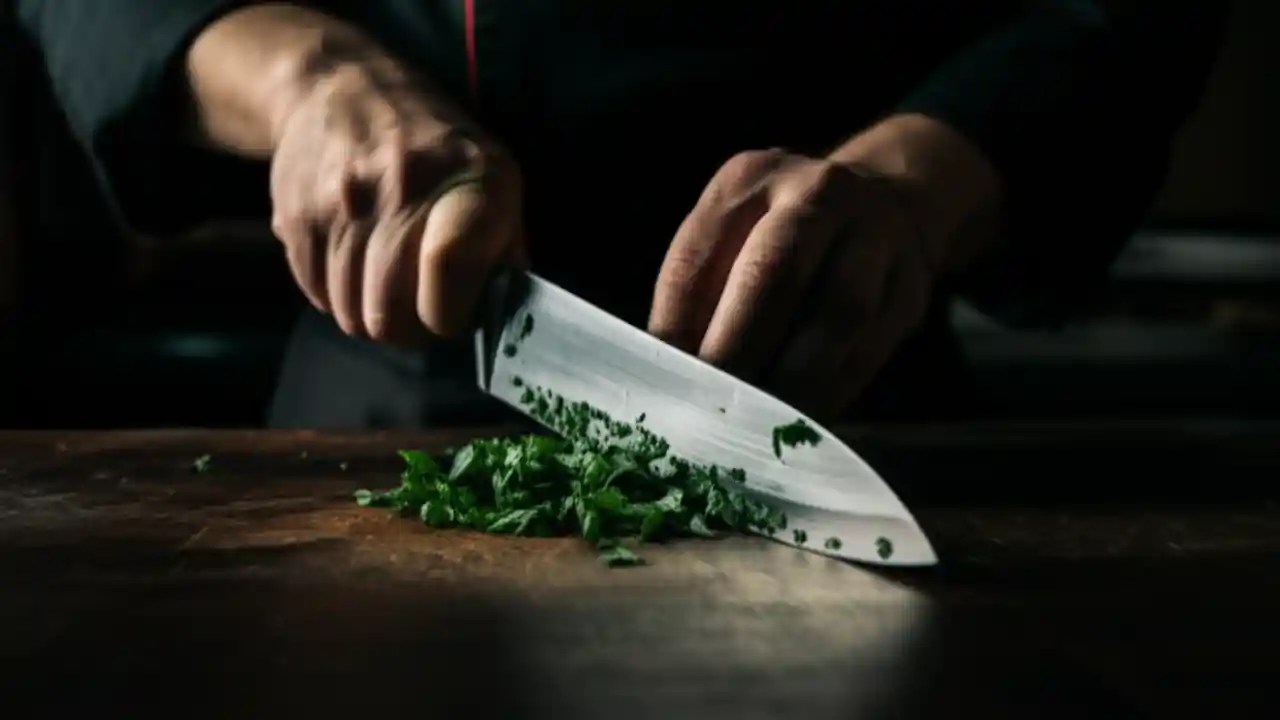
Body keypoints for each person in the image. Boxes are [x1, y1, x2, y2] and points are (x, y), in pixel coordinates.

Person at [15, 1, 1227, 428]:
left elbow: (1124, 17)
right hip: (389, 396)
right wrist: (308, 81)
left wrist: (920, 180)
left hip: (842, 383)